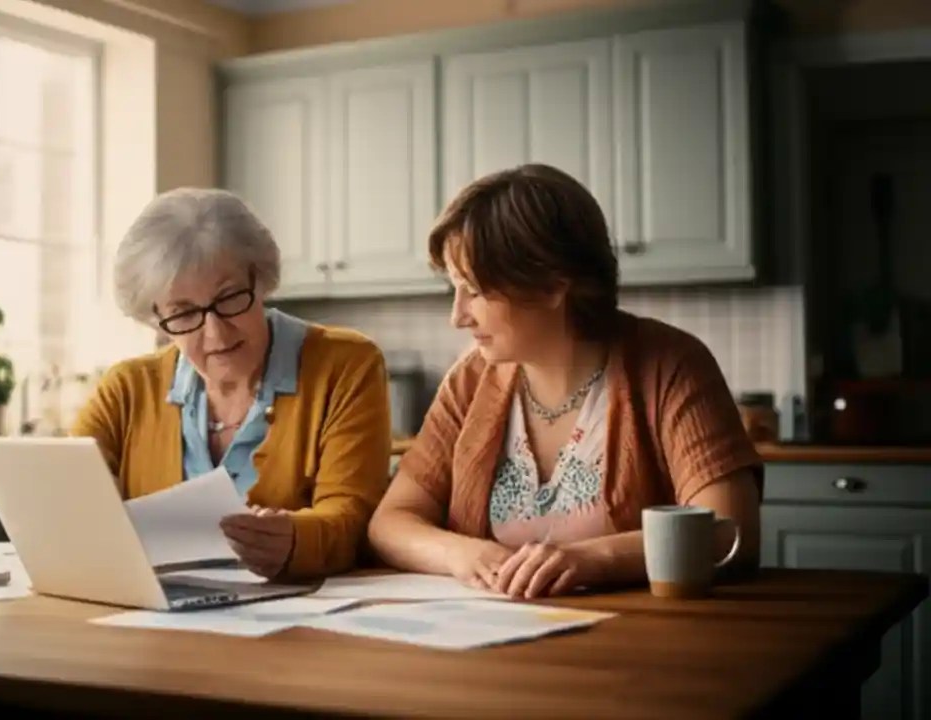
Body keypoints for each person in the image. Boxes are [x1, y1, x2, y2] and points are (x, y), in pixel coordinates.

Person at [367, 164, 763, 599]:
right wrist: (465, 555)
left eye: (475, 290)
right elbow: (391, 522)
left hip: (641, 647)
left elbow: (731, 534)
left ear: (553, 286)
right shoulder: (470, 380)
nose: (457, 316)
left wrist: (589, 560)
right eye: (454, 289)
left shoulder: (670, 366)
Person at [71, 187, 392, 581]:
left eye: (229, 298)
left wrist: (294, 540)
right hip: (156, 618)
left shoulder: (345, 366)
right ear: (155, 319)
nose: (216, 332)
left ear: (260, 281)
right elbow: (68, 504)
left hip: (296, 626)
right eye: (184, 313)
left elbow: (356, 521)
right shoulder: (125, 389)